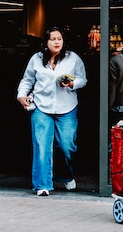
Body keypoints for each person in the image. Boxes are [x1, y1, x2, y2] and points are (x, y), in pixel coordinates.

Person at [17, 27, 88, 196]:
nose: (57, 42)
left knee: (67, 146)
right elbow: (27, 80)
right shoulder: (36, 59)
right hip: (42, 107)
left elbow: (83, 79)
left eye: (59, 39)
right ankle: (43, 185)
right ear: (46, 42)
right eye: (53, 39)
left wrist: (71, 84)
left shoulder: (73, 58)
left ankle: (66, 176)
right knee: (42, 146)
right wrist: (21, 96)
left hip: (67, 107)